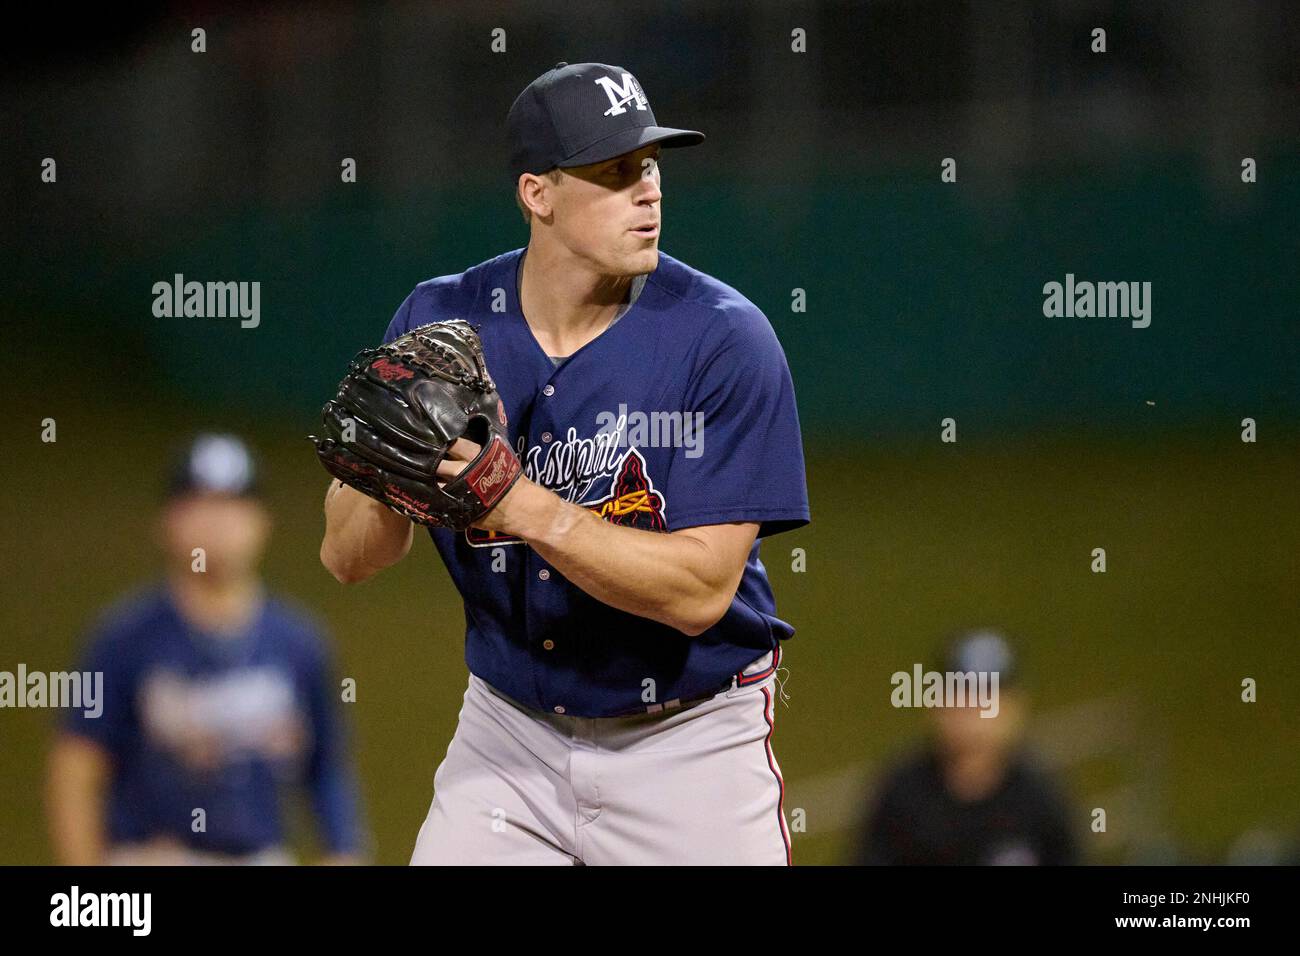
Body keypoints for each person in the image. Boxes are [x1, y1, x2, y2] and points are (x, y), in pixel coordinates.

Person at [320, 62, 810, 865]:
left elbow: (699, 593)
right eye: (615, 172)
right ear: (537, 194)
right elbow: (346, 560)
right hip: (508, 738)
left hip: (689, 745)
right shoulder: (440, 320)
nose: (649, 191)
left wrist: (521, 506)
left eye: (650, 166)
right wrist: (389, 481)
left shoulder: (722, 339)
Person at [48, 434, 368, 865]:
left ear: (262, 522)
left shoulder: (298, 642)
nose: (216, 522)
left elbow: (326, 768)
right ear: (167, 521)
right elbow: (76, 770)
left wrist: (344, 852)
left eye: (233, 505)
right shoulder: (123, 639)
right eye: (198, 504)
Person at [857, 630, 1078, 865]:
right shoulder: (902, 793)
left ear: (1015, 707)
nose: (972, 713)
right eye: (961, 696)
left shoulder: (1039, 797)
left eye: (988, 698)